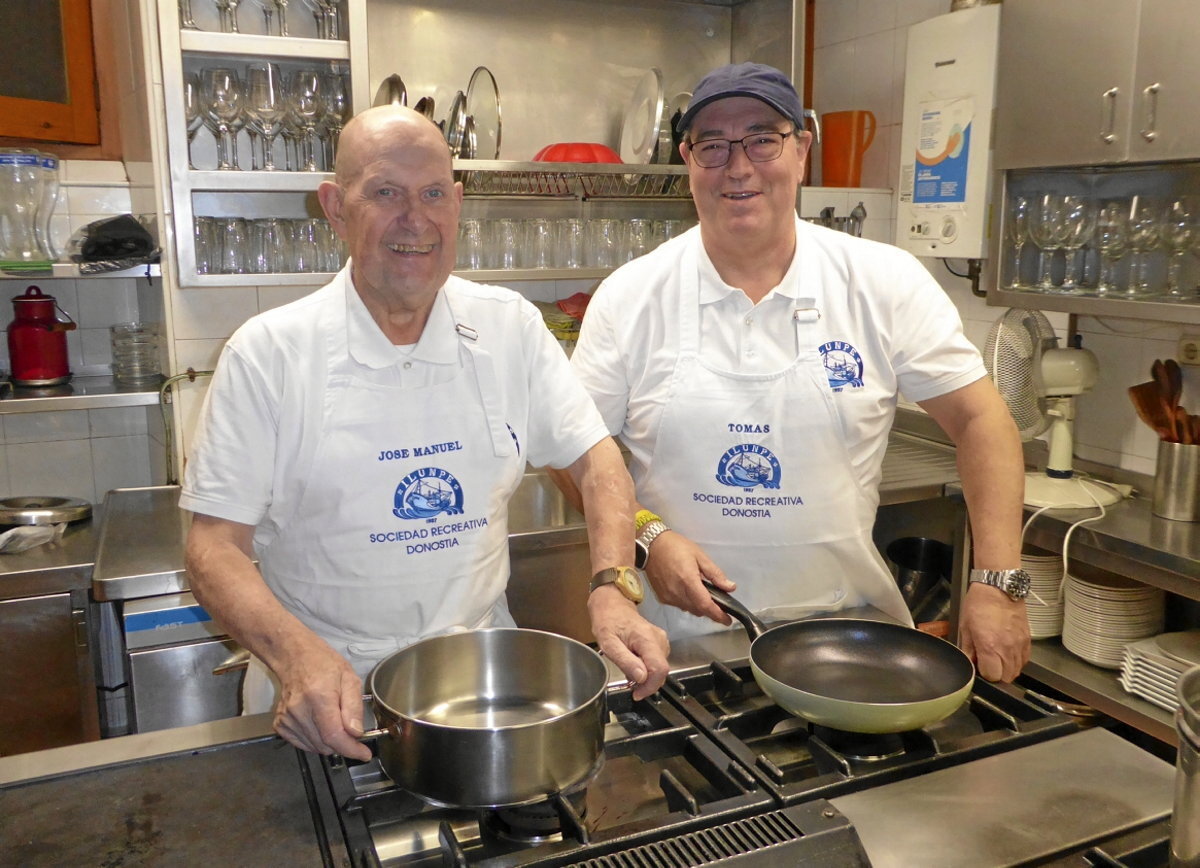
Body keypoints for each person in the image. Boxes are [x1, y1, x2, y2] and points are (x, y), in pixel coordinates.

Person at [181, 105, 670, 761]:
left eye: (434, 194)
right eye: (386, 193)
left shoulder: (508, 328)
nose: (415, 219)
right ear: (335, 207)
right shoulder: (267, 354)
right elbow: (214, 549)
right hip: (330, 692)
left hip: (484, 682)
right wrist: (295, 658)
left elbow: (596, 460)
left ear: (458, 203)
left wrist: (613, 586)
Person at [560, 62, 1030, 682]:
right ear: (688, 161)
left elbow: (980, 420)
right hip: (679, 649)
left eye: (762, 137)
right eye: (712, 145)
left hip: (850, 636)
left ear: (802, 151)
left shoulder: (882, 281)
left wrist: (997, 584)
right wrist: (647, 538)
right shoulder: (631, 295)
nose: (738, 165)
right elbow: (575, 453)